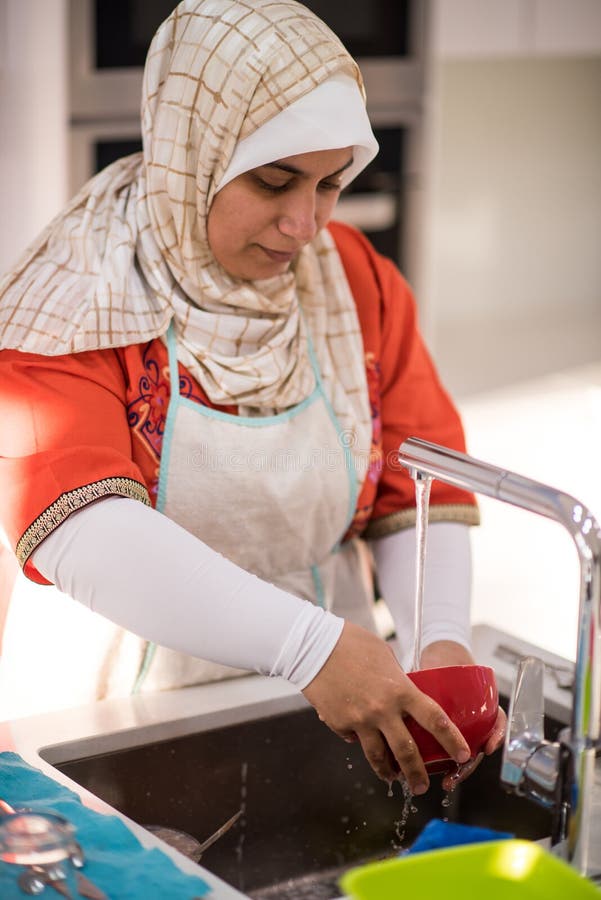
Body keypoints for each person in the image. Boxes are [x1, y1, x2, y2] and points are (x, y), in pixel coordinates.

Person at [0, 0, 505, 797]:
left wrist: (436, 638)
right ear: (190, 156)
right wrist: (309, 648)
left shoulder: (354, 281)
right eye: (274, 182)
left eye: (331, 183)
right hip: (114, 715)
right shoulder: (71, 303)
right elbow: (80, 528)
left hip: (332, 698)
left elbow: (419, 483)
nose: (304, 223)